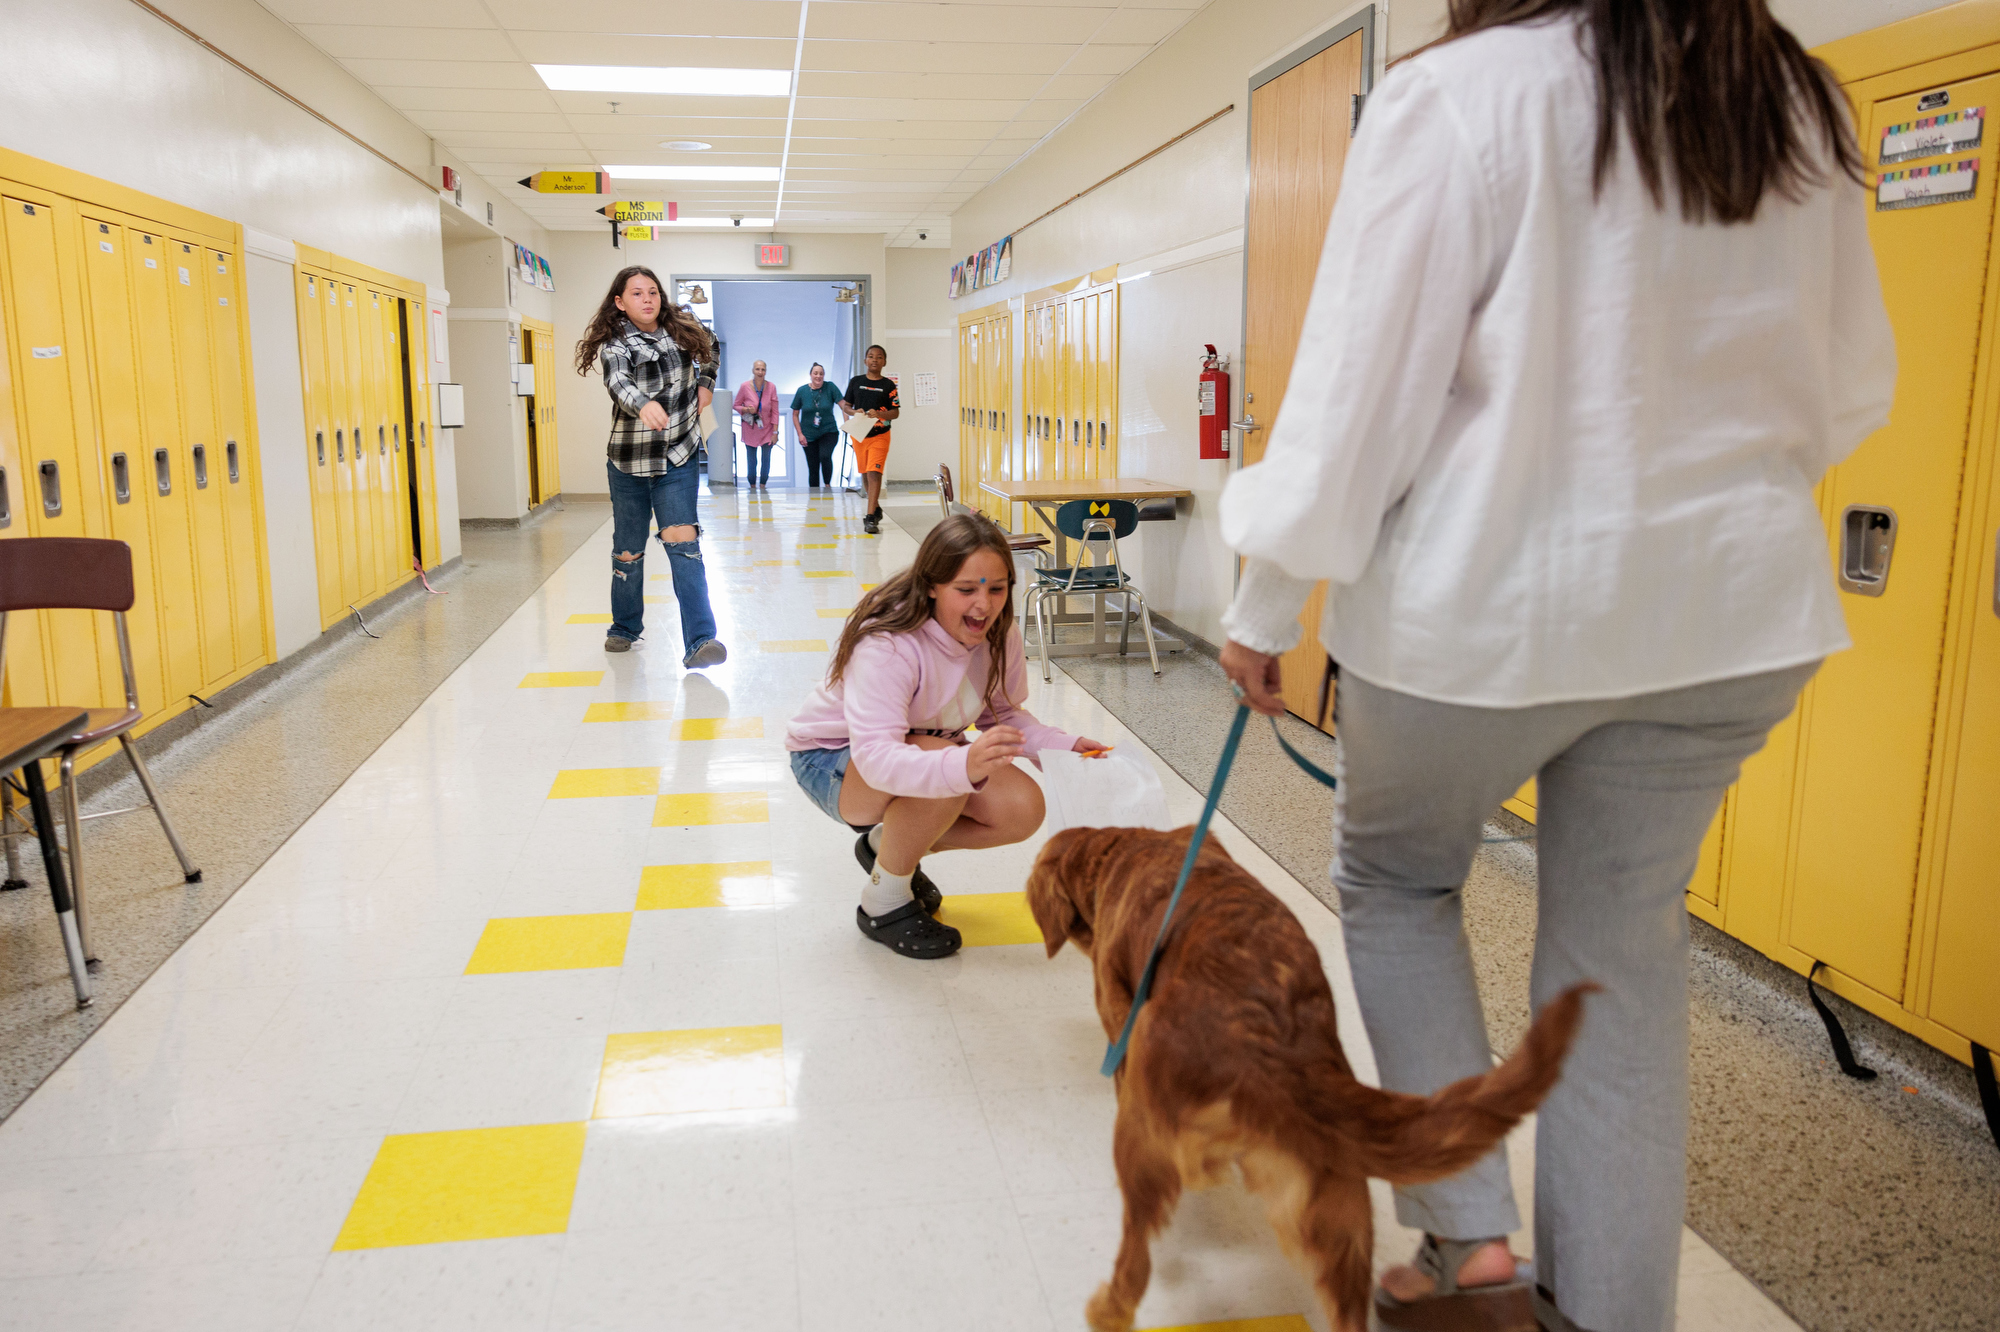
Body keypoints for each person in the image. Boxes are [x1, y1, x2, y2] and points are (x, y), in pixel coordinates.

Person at [1214, 3, 1893, 1331]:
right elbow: (1852, 383)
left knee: (1400, 880)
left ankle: (1468, 1244)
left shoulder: (1465, 93)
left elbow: (1358, 403)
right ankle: (1611, 1313)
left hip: (1489, 609)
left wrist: (1269, 598)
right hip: (1730, 614)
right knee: (1620, 954)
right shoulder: (1795, 99)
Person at [786, 513, 1107, 959]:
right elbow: (878, 756)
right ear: (932, 585)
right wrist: (960, 765)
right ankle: (882, 903)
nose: (984, 605)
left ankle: (886, 845)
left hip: (916, 749)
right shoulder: (890, 644)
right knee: (948, 770)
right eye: (967, 589)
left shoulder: (1000, 635)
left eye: (997, 589)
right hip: (831, 761)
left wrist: (1065, 746)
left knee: (1021, 809)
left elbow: (1005, 714)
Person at [575, 265, 730, 668]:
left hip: (677, 457)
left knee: (684, 544)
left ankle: (701, 640)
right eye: (637, 293)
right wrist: (643, 404)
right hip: (628, 464)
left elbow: (713, 346)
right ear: (620, 302)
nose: (648, 299)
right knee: (628, 552)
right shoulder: (616, 344)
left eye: (653, 292)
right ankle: (625, 626)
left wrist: (706, 383)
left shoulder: (682, 326)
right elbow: (618, 382)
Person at [839, 344, 898, 533]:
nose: (875, 360)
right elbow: (846, 406)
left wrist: (880, 415)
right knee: (865, 473)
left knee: (874, 472)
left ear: (884, 362)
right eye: (871, 356)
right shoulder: (855, 381)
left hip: (880, 435)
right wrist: (854, 411)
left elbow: (895, 412)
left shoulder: (889, 385)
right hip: (860, 434)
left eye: (879, 357)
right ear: (865, 361)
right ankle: (876, 507)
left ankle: (870, 517)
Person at [791, 362, 842, 489]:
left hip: (828, 431)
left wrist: (848, 423)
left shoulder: (830, 387)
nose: (818, 376)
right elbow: (795, 415)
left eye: (821, 374)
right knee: (813, 466)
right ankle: (813, 498)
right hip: (808, 434)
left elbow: (844, 405)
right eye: (815, 373)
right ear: (810, 375)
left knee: (825, 456)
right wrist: (800, 434)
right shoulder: (802, 391)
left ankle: (827, 486)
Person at [733, 360, 780, 488]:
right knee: (752, 460)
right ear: (753, 371)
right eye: (757, 369)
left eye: (763, 369)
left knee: (766, 459)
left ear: (766, 371)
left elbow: (775, 412)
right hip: (751, 428)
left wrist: (775, 432)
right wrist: (747, 409)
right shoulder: (744, 387)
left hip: (767, 429)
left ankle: (763, 485)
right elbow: (735, 405)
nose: (760, 372)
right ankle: (752, 485)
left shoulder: (771, 387)